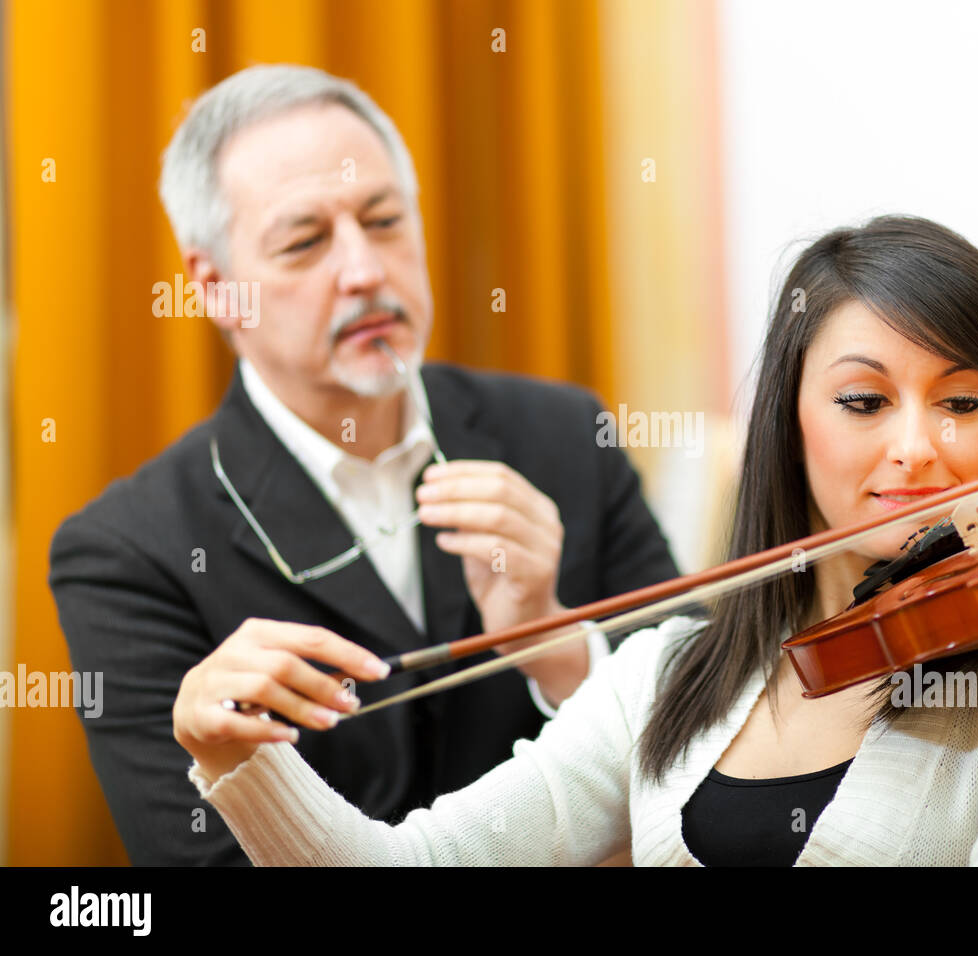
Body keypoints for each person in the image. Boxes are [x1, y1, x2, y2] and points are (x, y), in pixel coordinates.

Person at [173, 216, 978, 865]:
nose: (919, 448)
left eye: (963, 403)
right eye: (864, 402)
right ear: (789, 422)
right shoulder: (670, 675)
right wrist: (236, 754)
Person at [48, 64, 678, 866]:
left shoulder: (562, 433)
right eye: (304, 241)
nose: (365, 271)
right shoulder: (124, 552)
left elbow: (711, 741)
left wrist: (549, 643)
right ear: (214, 287)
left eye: (383, 220)